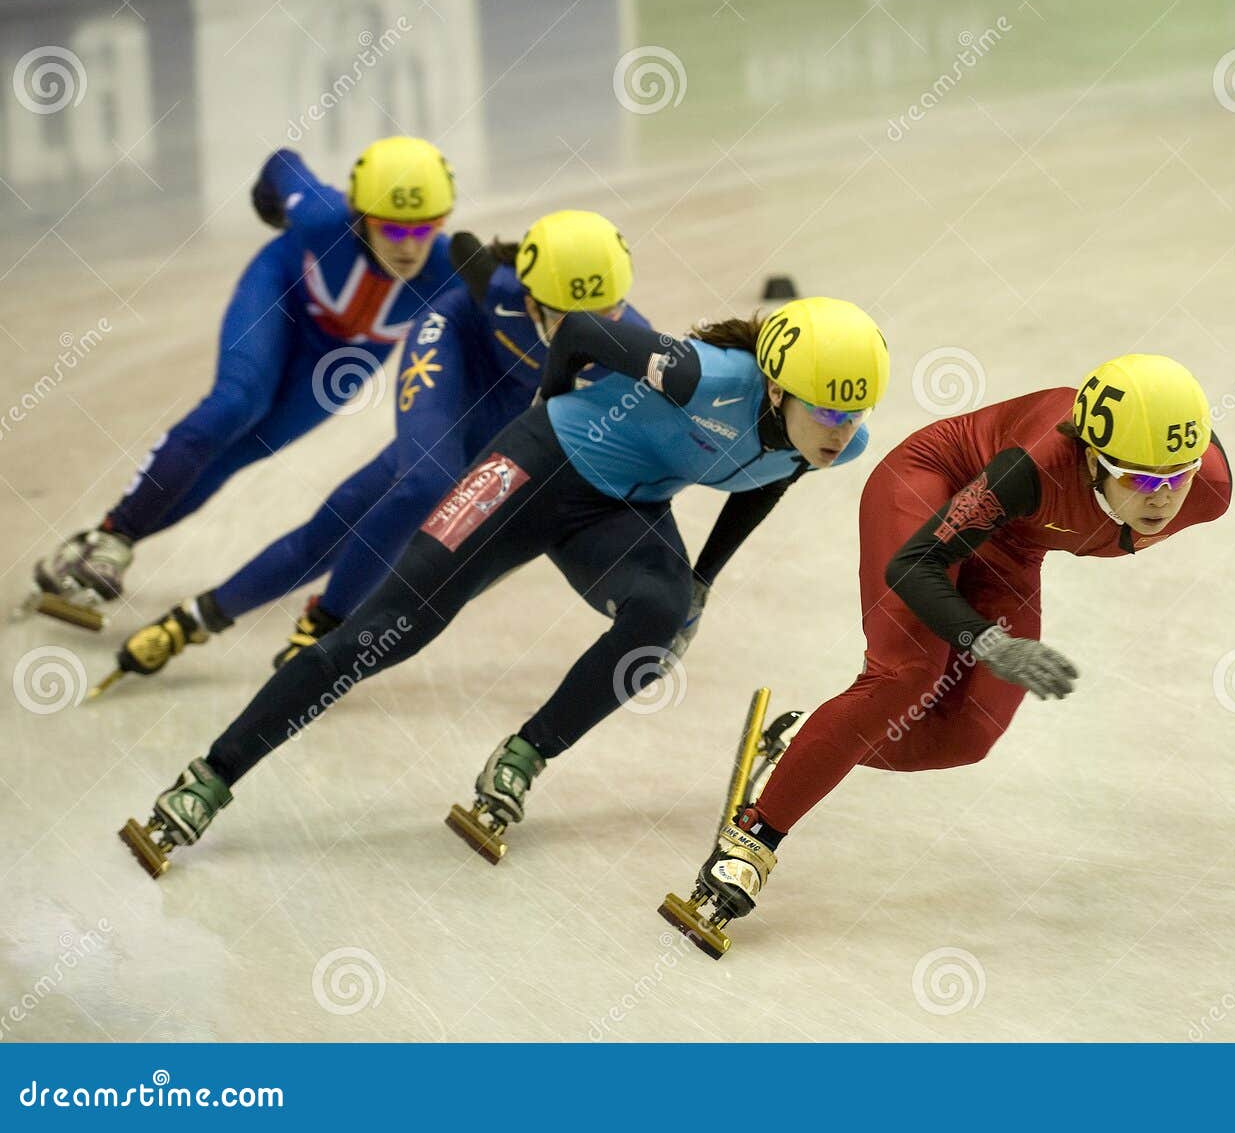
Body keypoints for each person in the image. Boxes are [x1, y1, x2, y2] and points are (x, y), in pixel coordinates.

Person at [117, 295, 892, 877]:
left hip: (620, 509)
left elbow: (768, 476)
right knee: (381, 635)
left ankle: (523, 755)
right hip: (535, 463)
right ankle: (212, 775)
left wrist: (702, 578)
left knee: (661, 615)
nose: (841, 426)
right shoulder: (702, 374)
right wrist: (542, 406)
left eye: (856, 411)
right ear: (779, 387)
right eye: (828, 406)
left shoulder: (827, 441)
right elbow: (585, 331)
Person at [661, 353, 1234, 957]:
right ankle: (752, 840)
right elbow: (915, 564)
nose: (1164, 496)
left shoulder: (1211, 491)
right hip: (935, 487)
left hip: (1014, 542)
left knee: (968, 734)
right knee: (907, 675)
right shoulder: (1034, 466)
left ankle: (803, 736)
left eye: (1179, 475)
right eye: (1141, 479)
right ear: (1091, 455)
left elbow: (1152, 483)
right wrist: (986, 641)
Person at [92, 210, 648, 692]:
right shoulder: (495, 286)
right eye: (563, 315)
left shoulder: (632, 346)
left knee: (363, 516)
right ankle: (328, 622)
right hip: (452, 350)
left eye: (604, 316)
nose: (584, 332)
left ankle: (197, 617)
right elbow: (460, 247)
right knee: (429, 482)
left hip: (502, 406)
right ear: (528, 293)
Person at [28, 136, 458, 629]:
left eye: (425, 228)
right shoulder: (321, 217)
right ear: (361, 217)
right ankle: (112, 535)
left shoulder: (454, 271)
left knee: (239, 453)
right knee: (235, 404)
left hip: (346, 358)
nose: (408, 246)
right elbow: (283, 162)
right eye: (391, 228)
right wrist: (269, 201)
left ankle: (109, 545)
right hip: (281, 298)